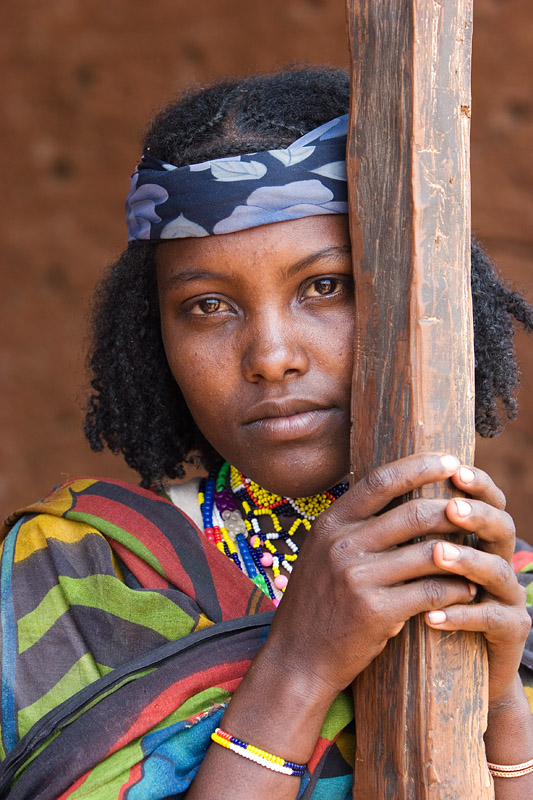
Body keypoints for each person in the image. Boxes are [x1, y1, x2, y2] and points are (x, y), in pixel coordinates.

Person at [1, 66, 532, 800]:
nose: (271, 357)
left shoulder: (501, 587)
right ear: (154, 336)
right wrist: (299, 667)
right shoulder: (72, 578)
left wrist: (499, 700)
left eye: (326, 286)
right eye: (208, 306)